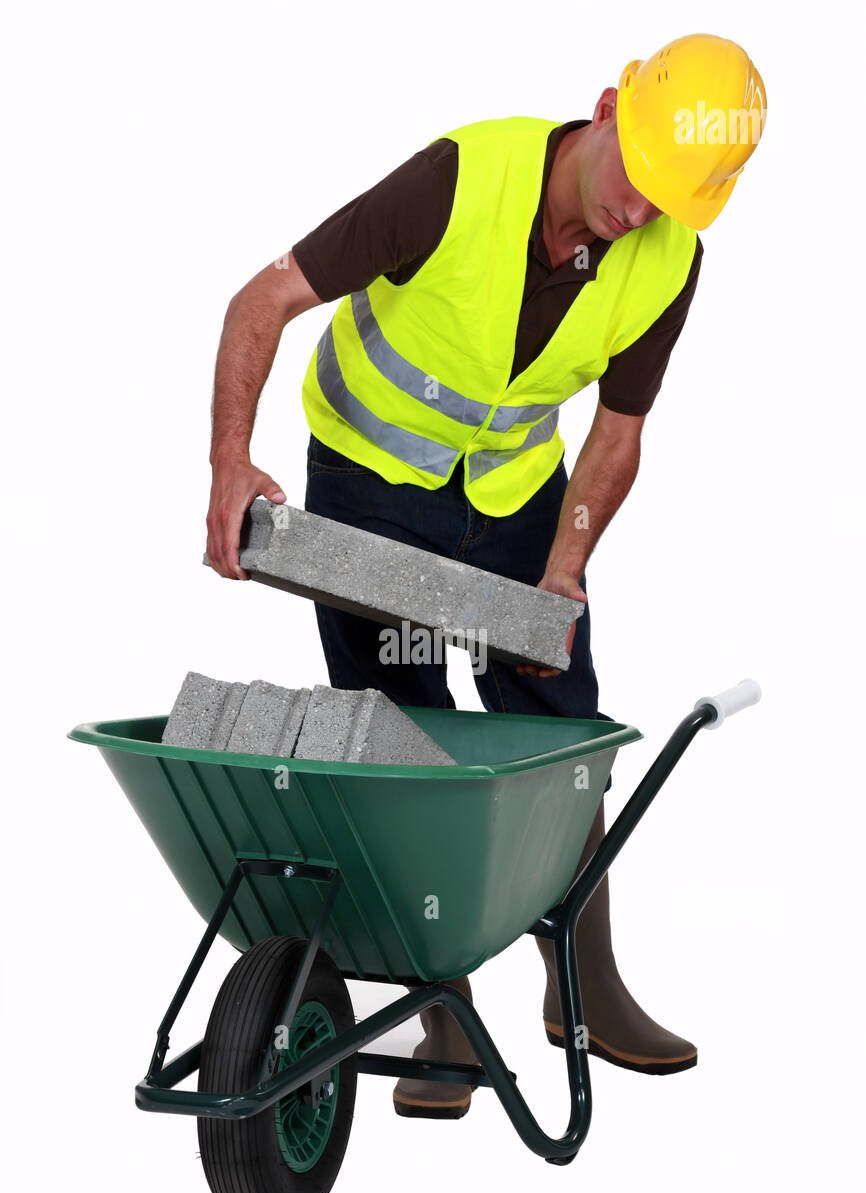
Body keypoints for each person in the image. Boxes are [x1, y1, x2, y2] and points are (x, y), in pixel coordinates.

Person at [206, 33, 766, 1117]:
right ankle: (443, 1014)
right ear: (607, 107)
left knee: (560, 725)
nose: (637, 212)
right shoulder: (460, 179)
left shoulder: (669, 256)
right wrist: (231, 462)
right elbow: (258, 302)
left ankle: (582, 986)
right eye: (636, 178)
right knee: (396, 725)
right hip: (369, 488)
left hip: (513, 506)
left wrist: (564, 565)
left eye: (669, 201)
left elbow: (616, 431)